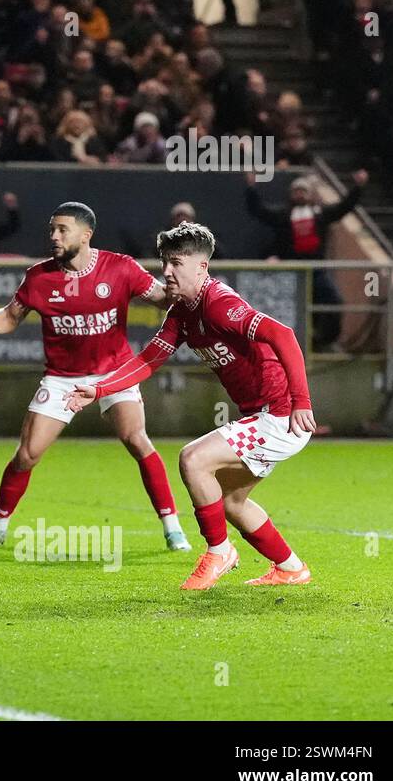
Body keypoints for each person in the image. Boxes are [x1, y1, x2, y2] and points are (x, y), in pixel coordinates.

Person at [65, 222, 315, 590]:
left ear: (202, 267)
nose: (166, 271)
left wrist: (301, 402)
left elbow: (283, 334)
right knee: (230, 501)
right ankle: (291, 568)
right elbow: (148, 360)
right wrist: (100, 388)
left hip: (278, 416)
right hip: (261, 417)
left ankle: (219, 551)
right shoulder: (182, 313)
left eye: (176, 262)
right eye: (165, 262)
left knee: (193, 459)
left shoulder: (219, 304)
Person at [0, 202, 189, 552]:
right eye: (52, 229)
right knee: (27, 454)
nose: (54, 236)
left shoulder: (120, 267)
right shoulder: (38, 277)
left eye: (62, 230)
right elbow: (7, 320)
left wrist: (178, 282)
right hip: (62, 379)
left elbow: (161, 299)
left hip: (114, 373)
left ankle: (173, 528)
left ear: (86, 234)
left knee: (137, 440)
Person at [244, 169, 368, 348]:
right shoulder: (284, 216)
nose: (300, 195)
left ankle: (323, 342)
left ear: (310, 195)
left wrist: (358, 188)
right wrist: (251, 187)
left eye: (304, 191)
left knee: (334, 302)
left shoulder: (320, 215)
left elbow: (344, 207)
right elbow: (258, 211)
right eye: (297, 191)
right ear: (291, 195)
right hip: (290, 273)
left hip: (316, 271)